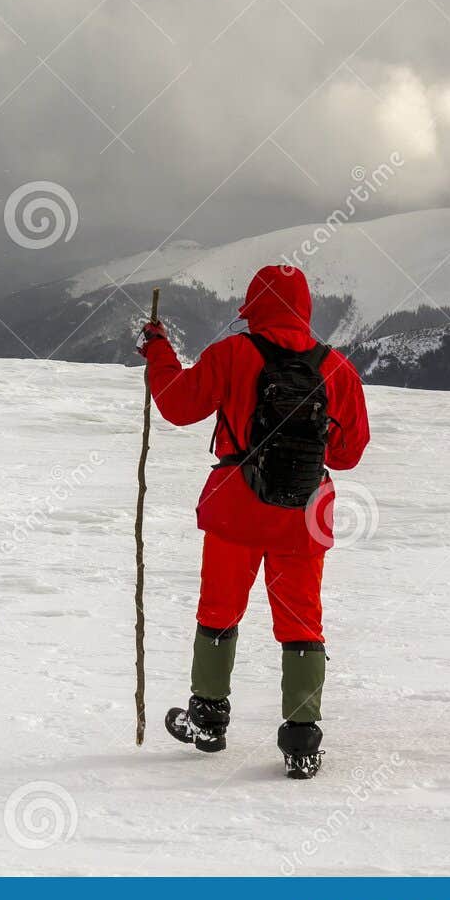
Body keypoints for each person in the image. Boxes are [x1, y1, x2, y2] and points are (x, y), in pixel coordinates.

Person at [139, 264, 369, 780]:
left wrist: (157, 349)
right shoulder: (337, 368)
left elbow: (178, 404)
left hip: (237, 510)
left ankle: (209, 722)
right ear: (305, 307)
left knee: (219, 611)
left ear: (256, 307)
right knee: (302, 622)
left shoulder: (233, 354)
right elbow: (350, 453)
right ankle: (302, 742)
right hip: (304, 517)